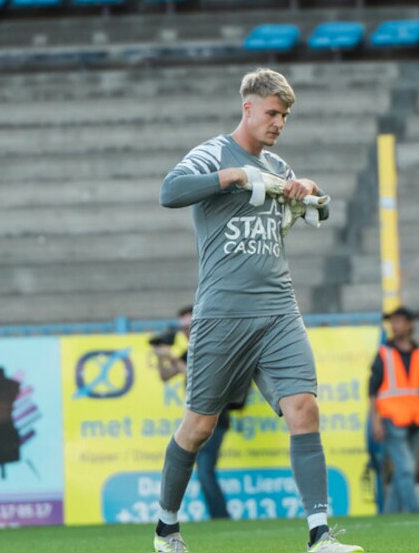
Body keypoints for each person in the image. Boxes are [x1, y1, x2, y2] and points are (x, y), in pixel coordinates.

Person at [154, 68, 363, 553]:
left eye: (285, 116)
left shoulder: (278, 165)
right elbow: (170, 192)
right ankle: (166, 528)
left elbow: (318, 208)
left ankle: (320, 536)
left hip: (278, 310)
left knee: (304, 408)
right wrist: (234, 176)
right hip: (222, 313)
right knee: (199, 428)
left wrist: (306, 186)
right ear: (247, 107)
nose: (279, 123)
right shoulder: (213, 153)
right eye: (272, 113)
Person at [150, 305, 235, 521]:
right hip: (197, 419)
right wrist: (160, 355)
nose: (186, 332)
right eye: (183, 328)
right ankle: (219, 516)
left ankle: (220, 517)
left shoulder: (211, 348)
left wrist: (172, 357)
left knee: (205, 471)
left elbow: (195, 377)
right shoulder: (188, 353)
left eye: (189, 327)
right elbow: (165, 376)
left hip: (214, 419)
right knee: (204, 471)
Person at [368, 307, 419, 514]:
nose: (394, 326)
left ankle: (389, 515)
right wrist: (375, 421)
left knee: (404, 471)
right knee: (407, 469)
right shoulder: (384, 353)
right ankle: (414, 511)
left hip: (416, 419)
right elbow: (372, 390)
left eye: (398, 321)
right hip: (392, 418)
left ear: (409, 325)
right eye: (392, 322)